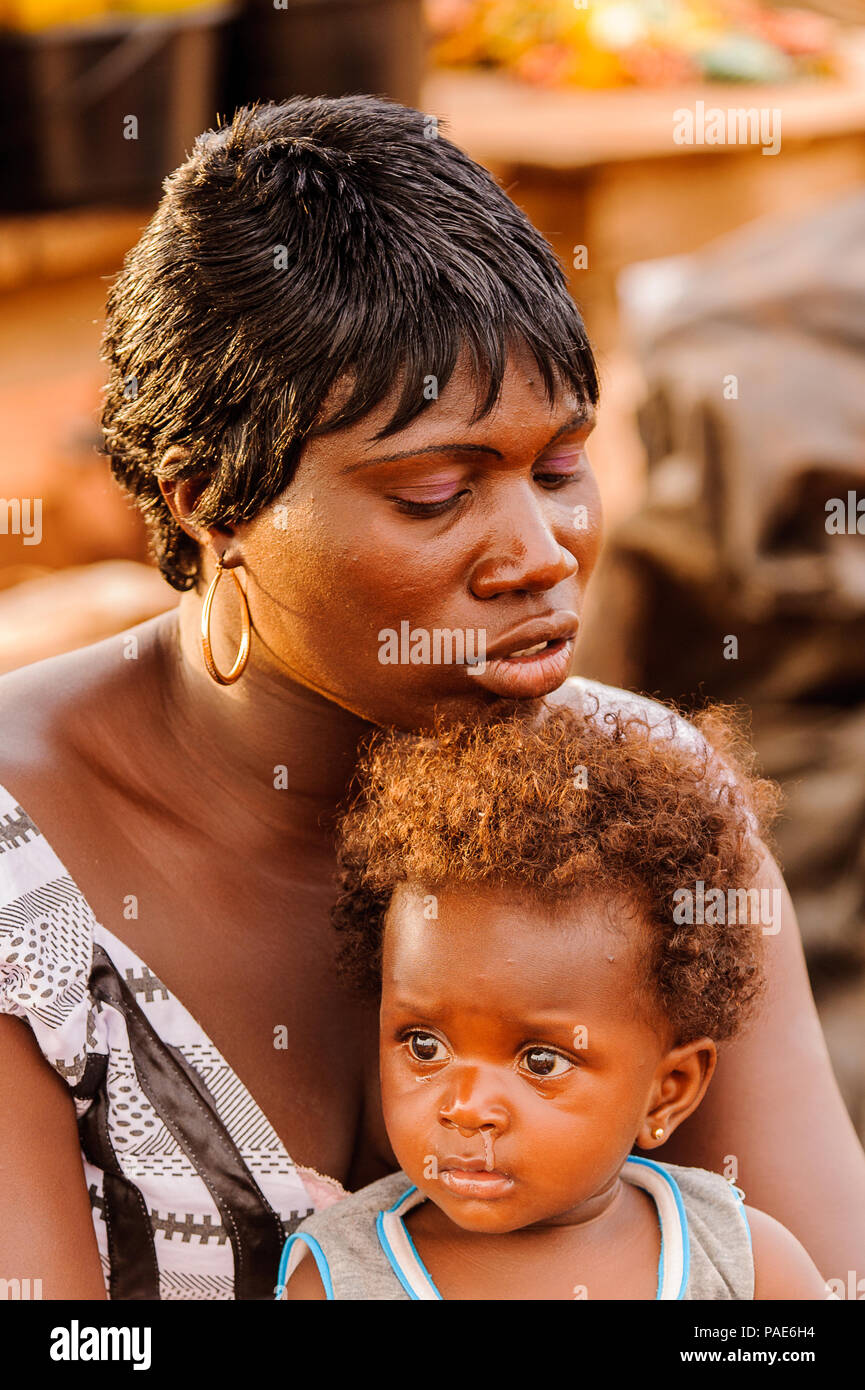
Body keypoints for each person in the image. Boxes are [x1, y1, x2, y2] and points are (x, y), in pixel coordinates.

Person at [0, 95, 862, 1301]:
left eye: (560, 467)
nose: (540, 552)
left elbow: (823, 1290)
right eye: (434, 493)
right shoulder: (19, 875)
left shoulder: (653, 806)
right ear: (212, 503)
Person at [279, 703, 828, 1300]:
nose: (466, 1109)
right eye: (424, 1045)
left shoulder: (744, 1265)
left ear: (667, 1090)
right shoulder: (341, 1277)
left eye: (541, 1062)